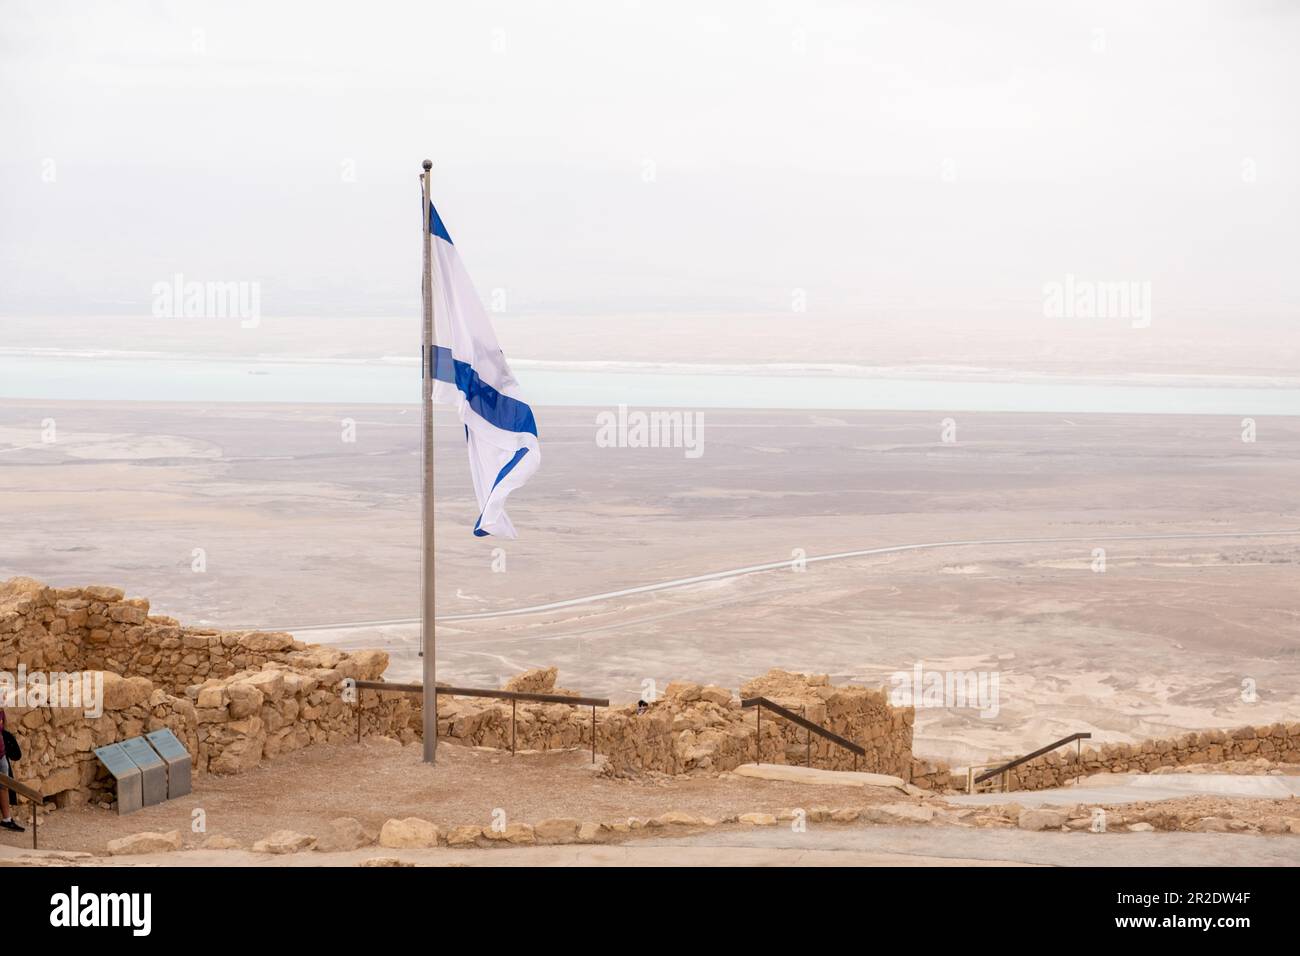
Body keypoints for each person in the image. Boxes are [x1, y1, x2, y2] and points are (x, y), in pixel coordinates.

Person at [0, 709, 25, 833]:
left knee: (4, 787)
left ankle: (7, 819)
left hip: (1, 755)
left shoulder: (1, 712)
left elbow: (2, 729)